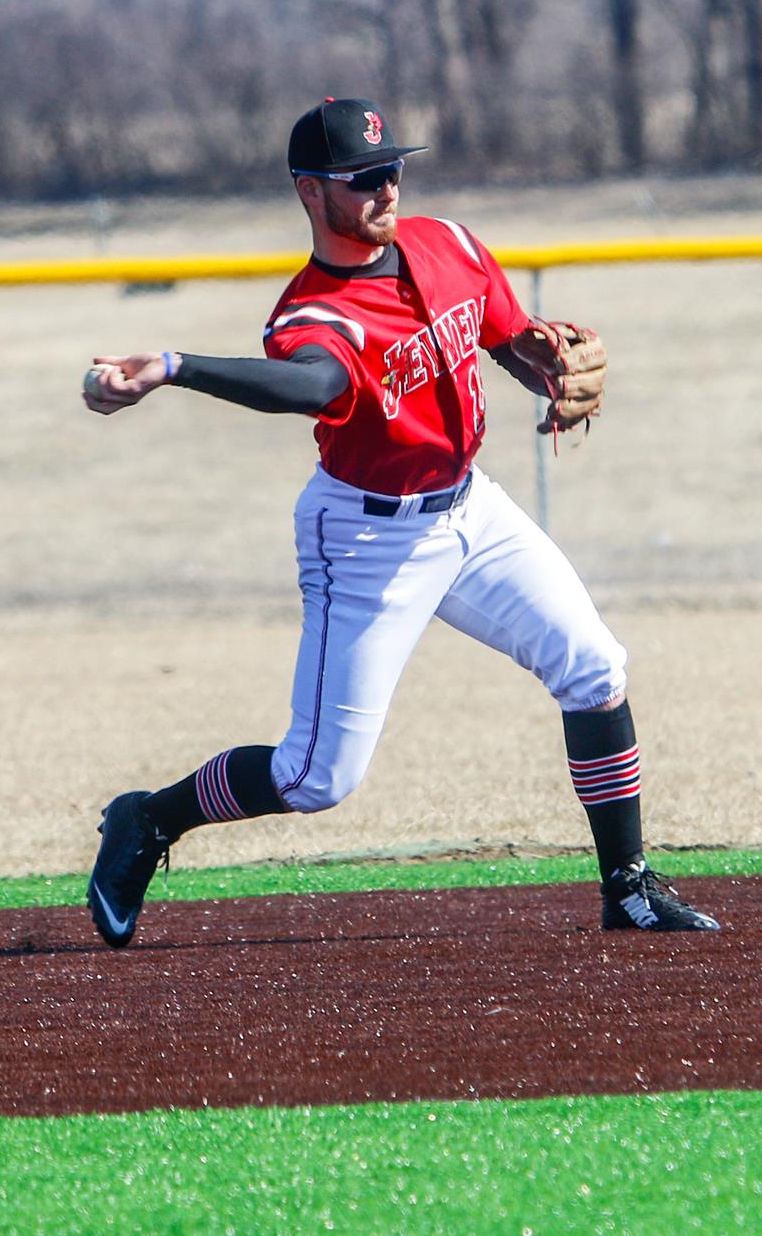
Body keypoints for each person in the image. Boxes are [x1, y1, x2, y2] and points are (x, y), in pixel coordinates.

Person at [79, 96, 719, 945]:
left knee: (595, 667)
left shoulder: (446, 243)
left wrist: (544, 366)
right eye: (364, 178)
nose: (387, 188)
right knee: (316, 776)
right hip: (367, 536)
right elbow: (311, 387)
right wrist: (172, 366)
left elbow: (505, 337)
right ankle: (150, 818)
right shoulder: (312, 313)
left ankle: (628, 888)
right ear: (312, 194)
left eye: (394, 169)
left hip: (471, 507)